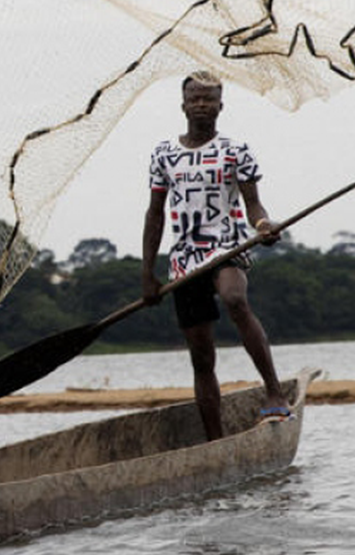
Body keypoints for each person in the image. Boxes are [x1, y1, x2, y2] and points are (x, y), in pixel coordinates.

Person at [141, 70, 291, 440]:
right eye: (195, 98)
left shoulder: (235, 152)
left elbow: (253, 205)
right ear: (184, 105)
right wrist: (148, 273)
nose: (202, 105)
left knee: (234, 298)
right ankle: (215, 441)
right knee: (201, 357)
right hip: (185, 259)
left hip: (227, 246)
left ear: (221, 106)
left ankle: (273, 390)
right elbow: (155, 213)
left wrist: (263, 227)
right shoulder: (164, 154)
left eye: (209, 99)